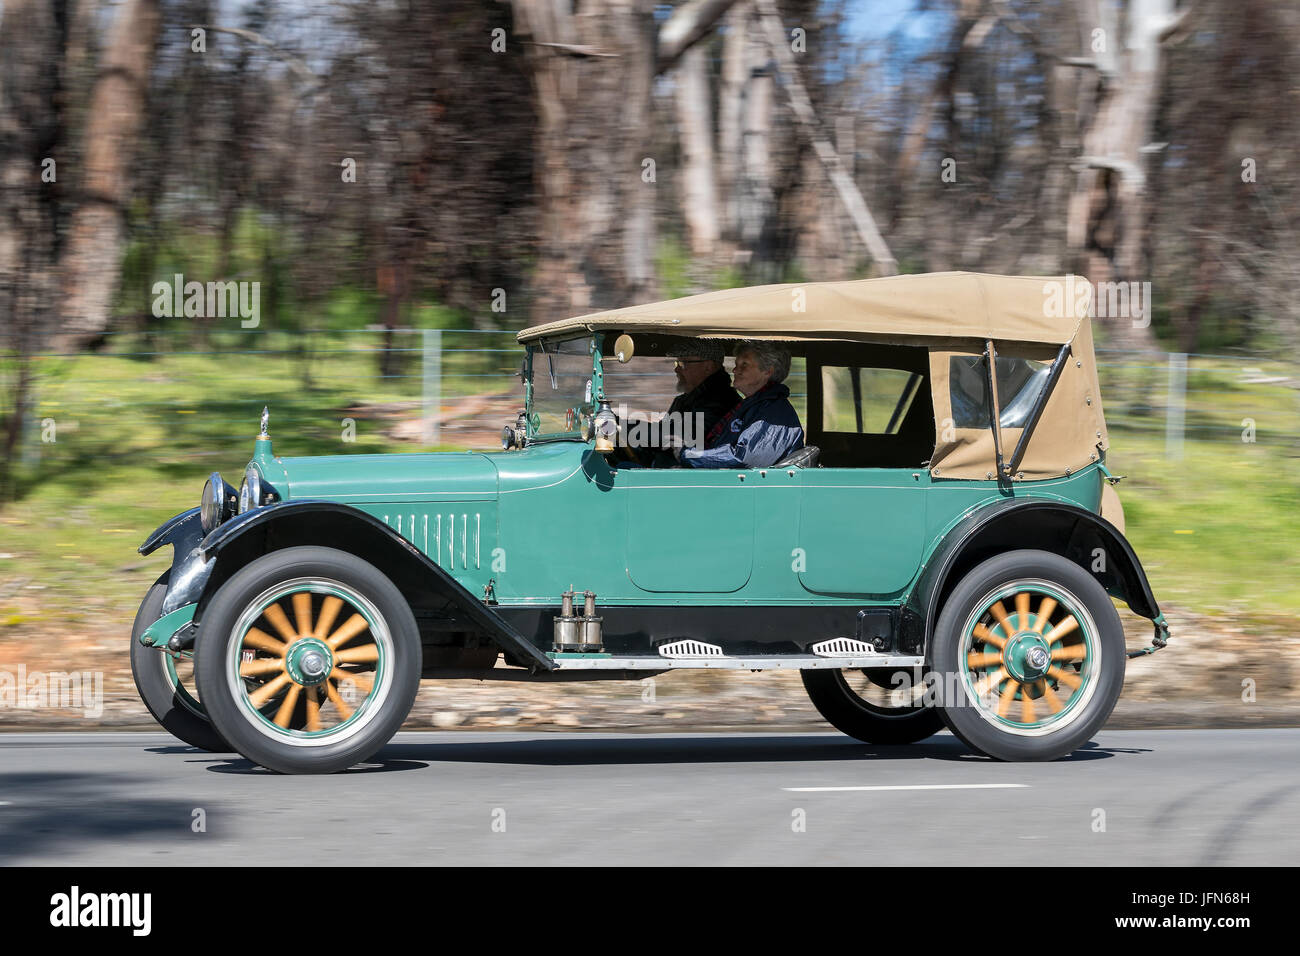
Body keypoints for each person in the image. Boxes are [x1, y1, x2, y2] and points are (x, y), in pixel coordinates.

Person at [672, 342, 804, 469]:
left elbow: (745, 457)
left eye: (744, 364)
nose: (735, 370)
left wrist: (689, 455)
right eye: (736, 364)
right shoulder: (752, 407)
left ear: (767, 371)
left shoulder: (774, 413)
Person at [643, 341, 740, 468]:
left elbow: (678, 436)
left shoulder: (722, 400)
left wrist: (626, 429)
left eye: (683, 364)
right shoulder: (684, 400)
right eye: (676, 363)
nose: (676, 369)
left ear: (708, 367)